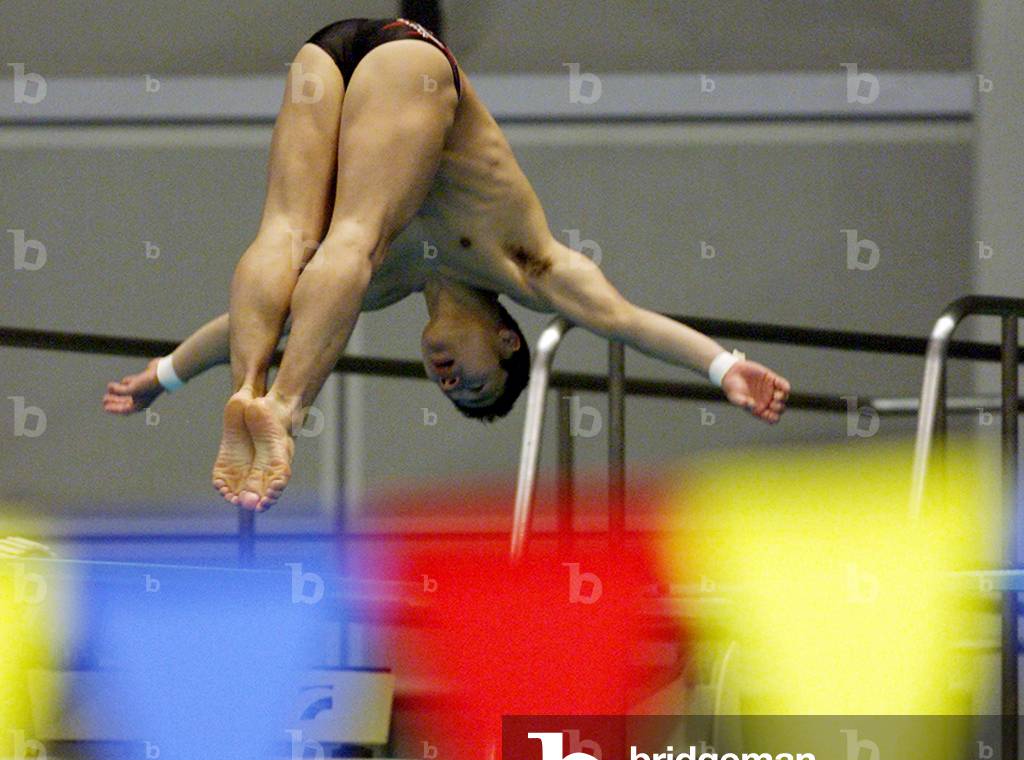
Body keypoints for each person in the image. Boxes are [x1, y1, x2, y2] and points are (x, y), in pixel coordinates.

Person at [104, 17, 790, 512]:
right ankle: (282, 410)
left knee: (288, 238)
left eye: (452, 394)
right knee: (353, 237)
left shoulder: (376, 292)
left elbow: (233, 324)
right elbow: (626, 321)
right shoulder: (528, 265)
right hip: (413, 65)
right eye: (476, 384)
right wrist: (724, 366)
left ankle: (250, 392)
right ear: (507, 338)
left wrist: (161, 377)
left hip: (328, 54)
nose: (451, 382)